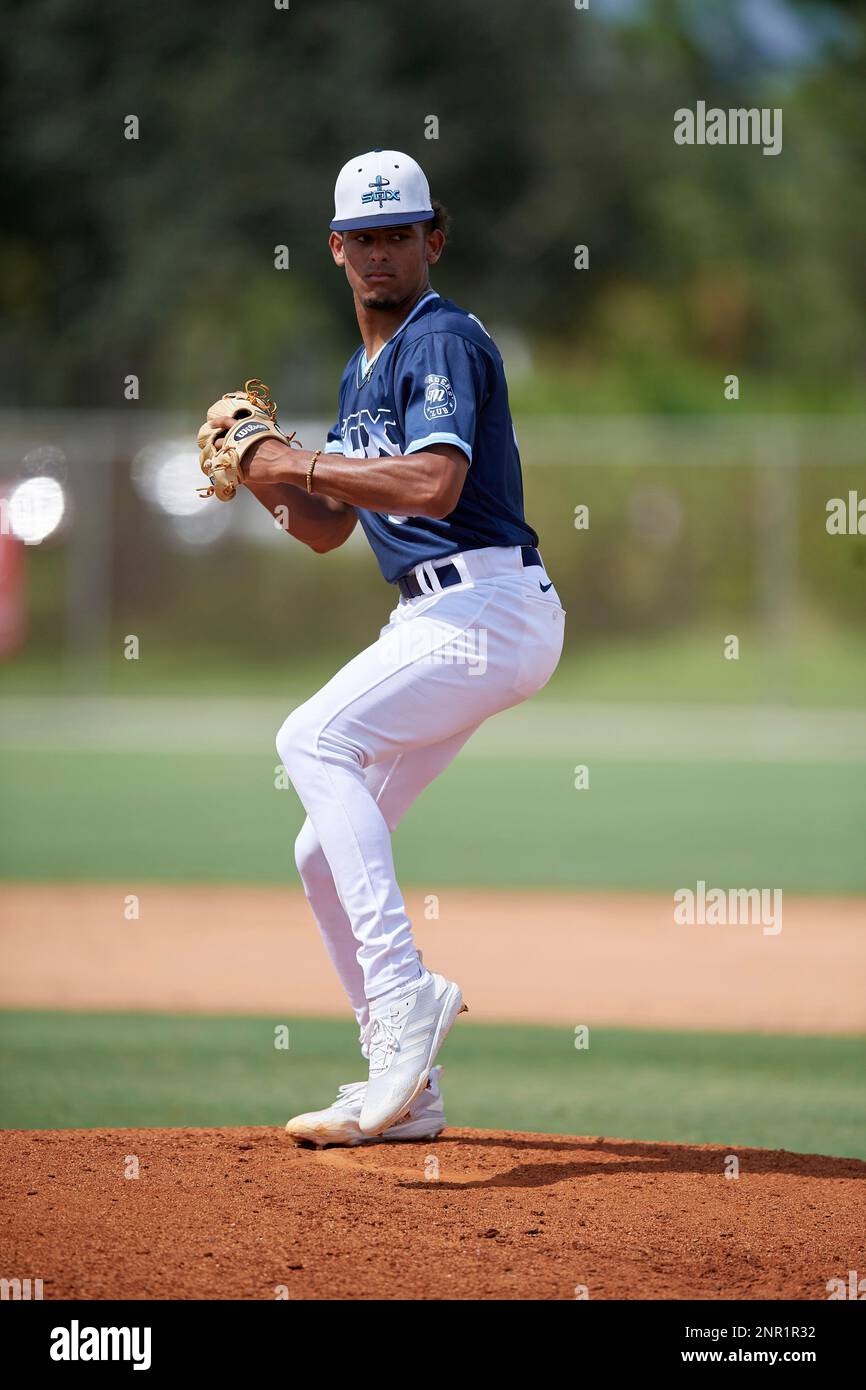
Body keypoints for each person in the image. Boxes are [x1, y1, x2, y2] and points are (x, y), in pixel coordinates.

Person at [215, 149, 566, 1145]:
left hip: (487, 607)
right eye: (361, 236)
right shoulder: (359, 369)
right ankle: (403, 1086)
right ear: (333, 249)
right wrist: (261, 473)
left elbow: (430, 488)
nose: (378, 251)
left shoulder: (439, 339)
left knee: (309, 741)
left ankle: (407, 994)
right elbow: (330, 525)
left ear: (432, 239)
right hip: (434, 617)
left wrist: (296, 456)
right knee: (320, 850)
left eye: (397, 233)